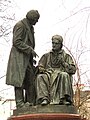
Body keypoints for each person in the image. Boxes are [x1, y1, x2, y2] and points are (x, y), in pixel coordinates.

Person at [6, 10, 40, 108]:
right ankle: (20, 103)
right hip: (18, 58)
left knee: (30, 80)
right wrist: (29, 50)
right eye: (36, 19)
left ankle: (29, 102)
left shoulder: (30, 27)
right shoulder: (20, 25)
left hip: (26, 58)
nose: (36, 21)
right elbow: (16, 42)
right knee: (19, 80)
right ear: (31, 17)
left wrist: (30, 57)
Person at [35, 35, 76, 105]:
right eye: (53, 43)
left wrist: (63, 63)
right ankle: (44, 98)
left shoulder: (66, 56)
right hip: (48, 74)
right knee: (40, 77)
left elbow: (73, 70)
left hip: (60, 73)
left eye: (56, 43)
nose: (54, 45)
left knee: (64, 75)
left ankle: (63, 98)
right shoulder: (46, 56)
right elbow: (40, 66)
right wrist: (41, 69)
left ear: (61, 45)